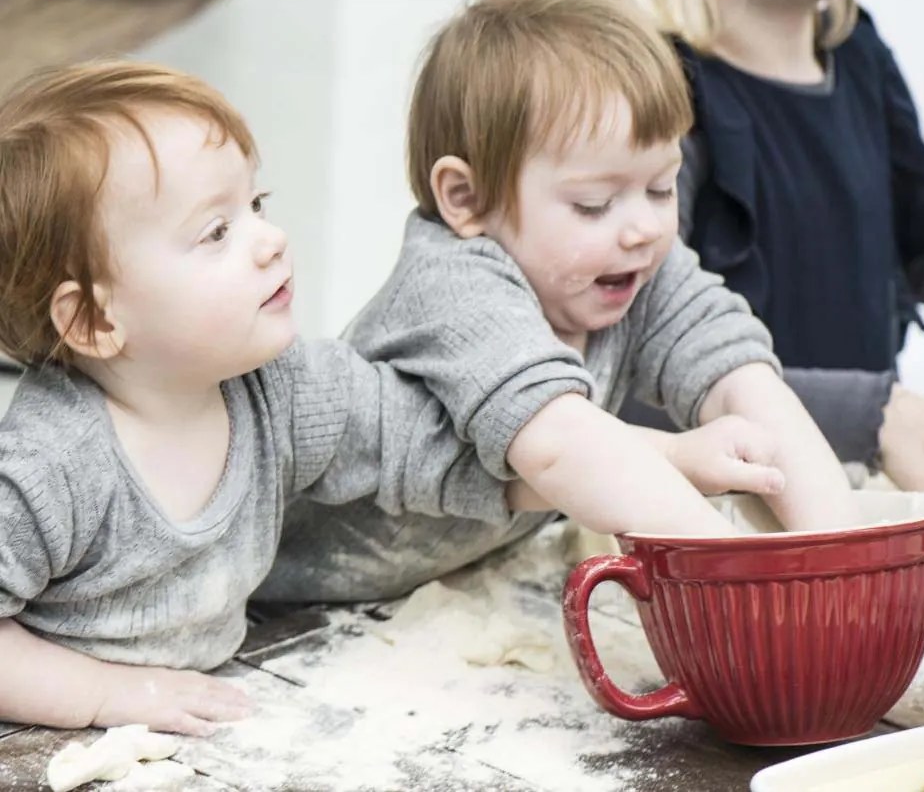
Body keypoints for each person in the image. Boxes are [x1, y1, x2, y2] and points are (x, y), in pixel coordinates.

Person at [263, 0, 859, 611]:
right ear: (467, 199)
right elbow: (561, 447)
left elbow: (746, 383)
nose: (644, 228)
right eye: (594, 203)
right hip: (290, 595)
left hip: (440, 584)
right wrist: (738, 583)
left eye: (662, 188)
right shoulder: (453, 285)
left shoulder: (633, 261)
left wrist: (845, 564)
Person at [0, 60, 548, 736]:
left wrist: (589, 470)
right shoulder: (47, 465)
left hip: (197, 721)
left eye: (254, 205)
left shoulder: (278, 387)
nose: (272, 239)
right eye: (216, 232)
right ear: (94, 321)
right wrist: (103, 693)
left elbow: (429, 447)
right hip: (42, 740)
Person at [568, 0, 924, 489]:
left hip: (851, 506)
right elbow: (612, 382)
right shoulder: (647, 98)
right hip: (715, 529)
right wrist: (873, 416)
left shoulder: (858, 53)